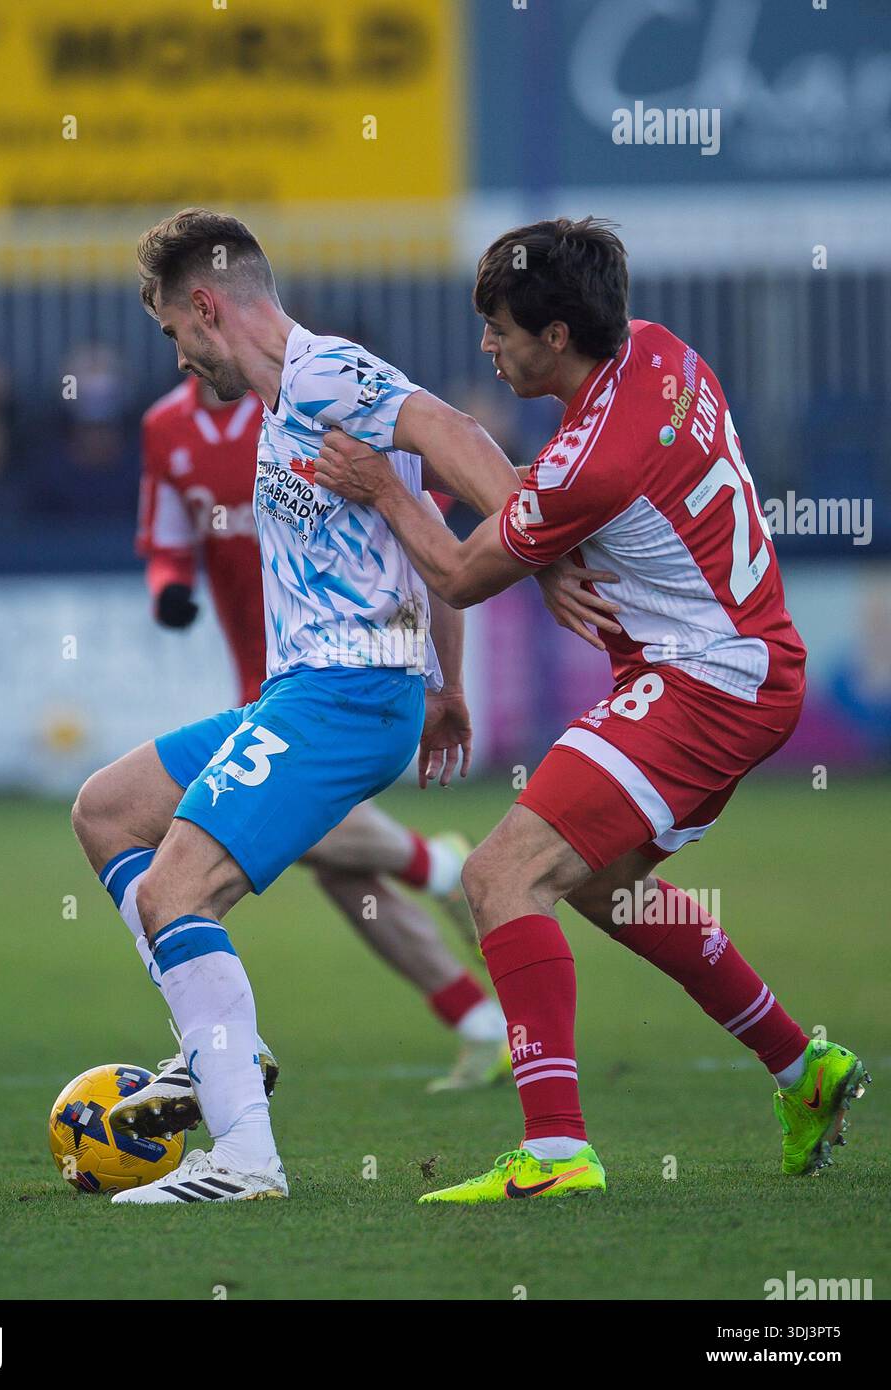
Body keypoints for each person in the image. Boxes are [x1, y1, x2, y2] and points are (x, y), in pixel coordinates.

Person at [314, 217, 869, 1203]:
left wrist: (380, 490)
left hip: (702, 683)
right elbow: (578, 499)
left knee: (498, 876)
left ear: (556, 336)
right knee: (604, 887)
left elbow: (454, 568)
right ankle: (801, 1068)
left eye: (498, 329)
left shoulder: (585, 464)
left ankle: (558, 1149)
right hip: (739, 661)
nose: (486, 345)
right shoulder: (660, 351)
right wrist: (550, 555)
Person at [69, 206, 538, 1206]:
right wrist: (449, 684)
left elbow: (449, 438)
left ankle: (244, 1156)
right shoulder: (285, 404)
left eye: (174, 335)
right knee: (106, 809)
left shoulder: (327, 373)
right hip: (312, 690)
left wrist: (537, 537)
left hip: (346, 697)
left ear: (205, 306)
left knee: (173, 892)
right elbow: (415, 515)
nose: (183, 361)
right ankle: (210, 1045)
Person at [135, 372, 511, 1092]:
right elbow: (168, 542)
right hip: (267, 675)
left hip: (339, 673)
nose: (183, 356)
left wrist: (436, 672)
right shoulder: (164, 429)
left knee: (303, 843)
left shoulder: (306, 412)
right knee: (338, 870)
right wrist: (170, 591)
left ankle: (438, 872)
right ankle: (477, 1017)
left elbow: (420, 519)